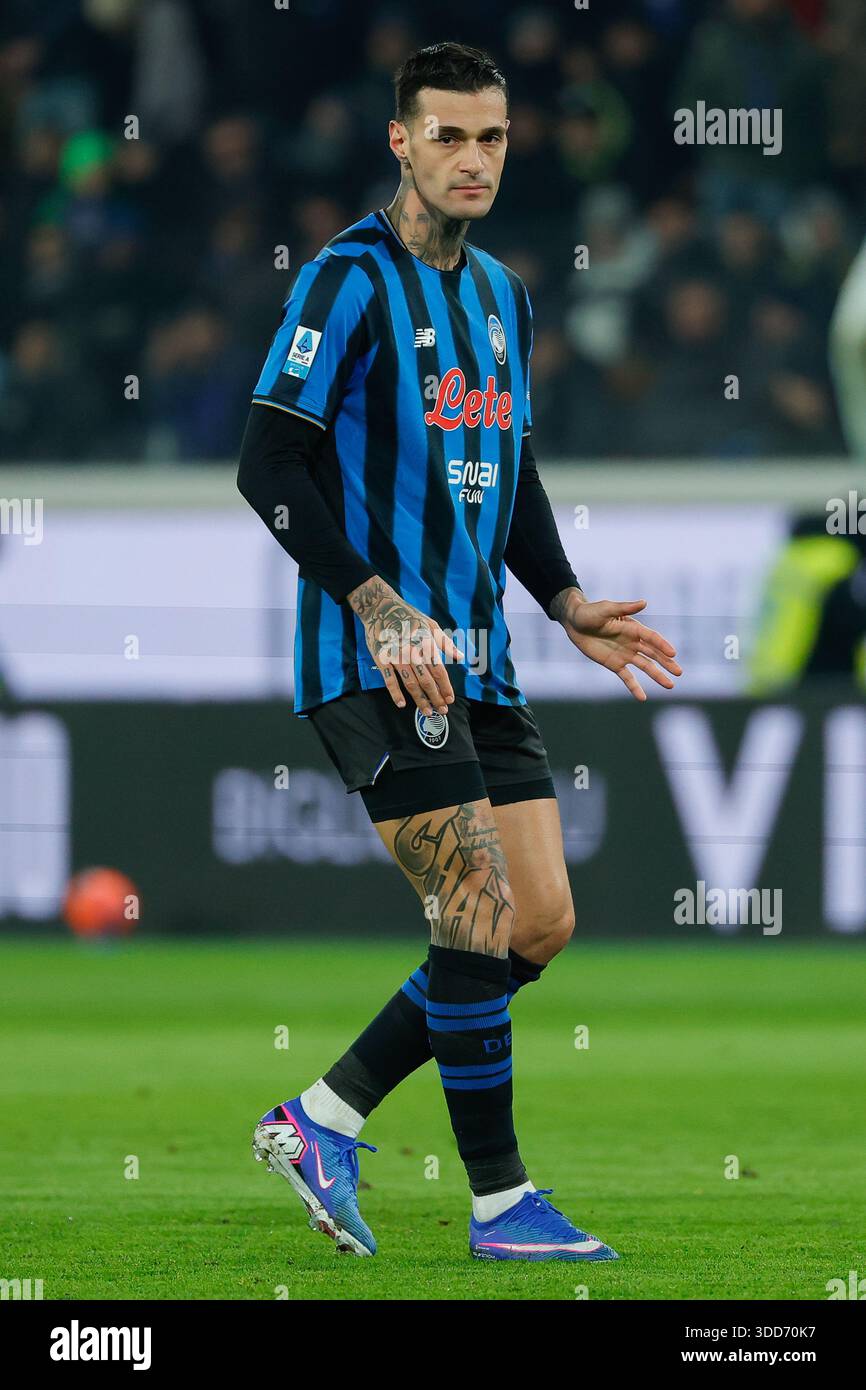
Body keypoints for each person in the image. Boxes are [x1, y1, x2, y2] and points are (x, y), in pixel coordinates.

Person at [238, 41, 681, 1263]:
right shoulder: (343, 280)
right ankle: (500, 1206)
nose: (471, 158)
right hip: (377, 658)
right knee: (473, 903)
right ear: (400, 140)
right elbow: (266, 461)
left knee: (535, 920)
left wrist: (565, 599)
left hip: (477, 656)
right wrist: (377, 604)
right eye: (446, 135)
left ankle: (320, 1116)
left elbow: (515, 469)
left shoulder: (501, 293)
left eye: (489, 137)